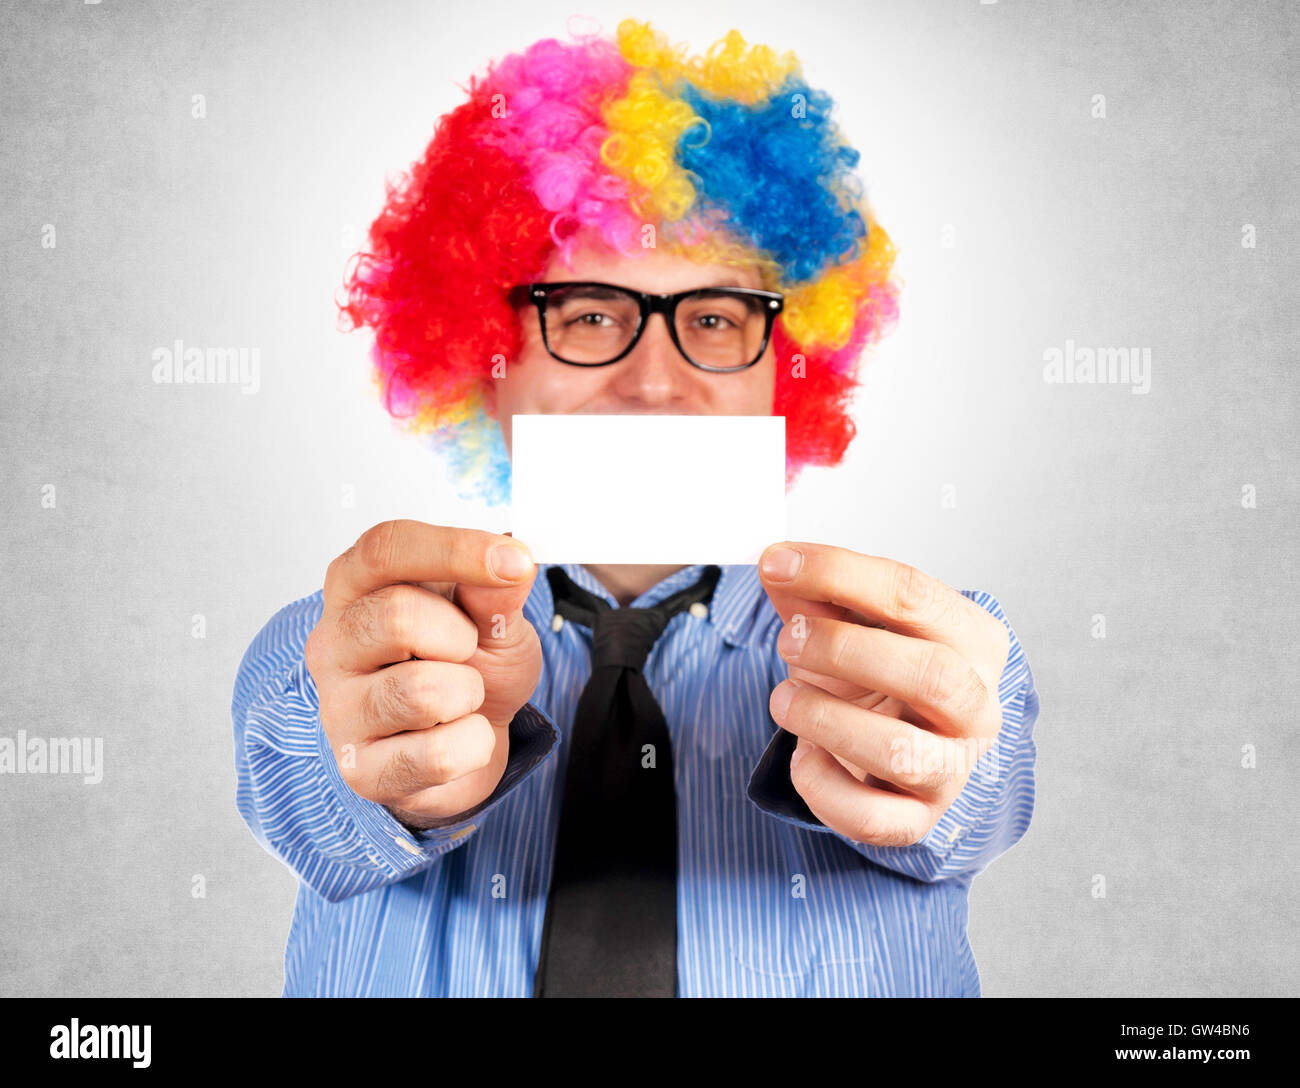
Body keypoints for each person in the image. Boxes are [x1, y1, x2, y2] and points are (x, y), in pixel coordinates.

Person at [232, 19, 1039, 997]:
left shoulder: (927, 649)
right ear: (482, 366)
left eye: (711, 318)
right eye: (588, 314)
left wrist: (935, 764)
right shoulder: (335, 644)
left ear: (785, 374)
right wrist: (383, 754)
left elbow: (985, 788)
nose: (655, 379)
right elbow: (303, 783)